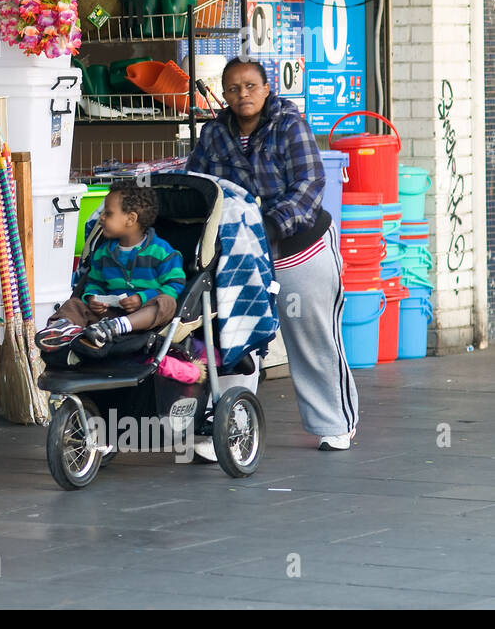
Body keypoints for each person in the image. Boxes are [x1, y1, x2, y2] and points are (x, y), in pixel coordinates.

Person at [187, 57, 359, 452]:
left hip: (301, 247)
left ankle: (334, 423)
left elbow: (311, 181)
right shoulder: (214, 134)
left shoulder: (289, 125)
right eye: (233, 88)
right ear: (225, 94)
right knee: (232, 338)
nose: (242, 94)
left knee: (313, 338)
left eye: (250, 86)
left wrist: (271, 224)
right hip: (241, 253)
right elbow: (200, 183)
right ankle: (227, 430)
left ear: (266, 89)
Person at [39, 181, 186, 356]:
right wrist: (93, 297)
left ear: (131, 219)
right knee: (75, 304)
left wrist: (142, 297)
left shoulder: (162, 252)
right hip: (107, 316)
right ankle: (63, 328)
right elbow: (94, 282)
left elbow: (175, 286)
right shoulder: (103, 253)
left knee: (167, 303)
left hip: (144, 316)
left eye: (107, 214)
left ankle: (119, 326)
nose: (101, 218)